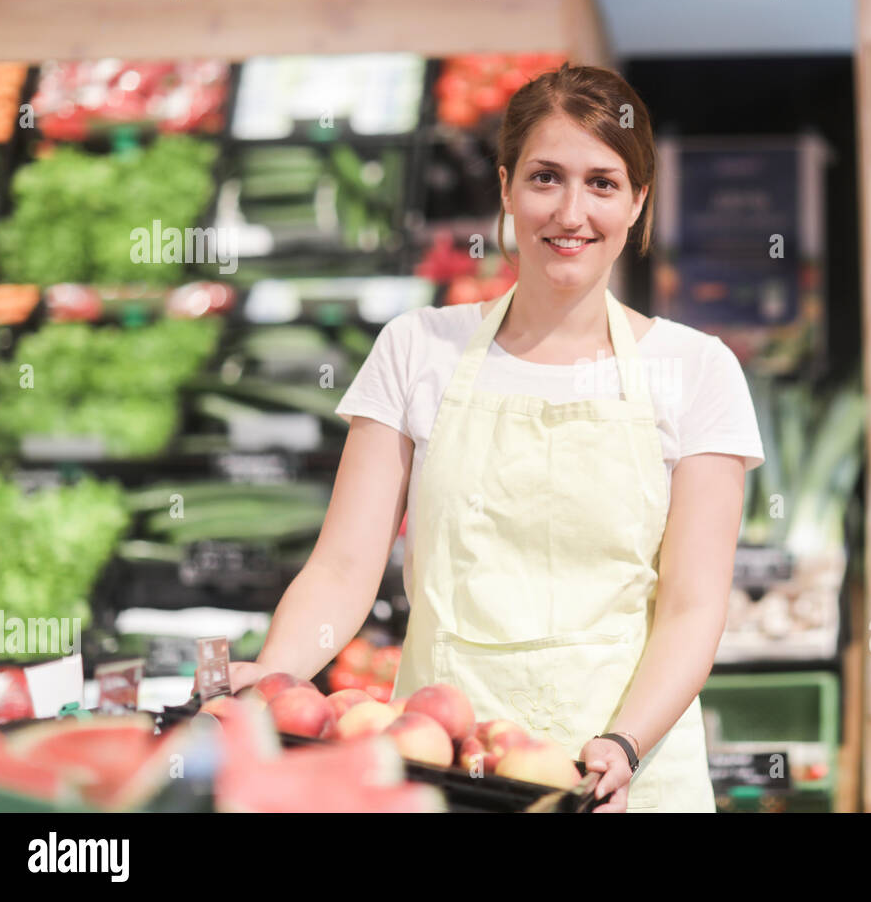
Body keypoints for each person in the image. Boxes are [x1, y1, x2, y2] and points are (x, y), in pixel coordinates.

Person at [226, 63, 764, 812]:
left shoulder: (695, 370)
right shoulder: (417, 348)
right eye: (546, 178)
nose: (572, 211)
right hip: (447, 764)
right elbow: (346, 566)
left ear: (638, 203)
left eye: (603, 184)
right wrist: (275, 681)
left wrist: (627, 743)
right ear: (507, 187)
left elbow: (692, 605)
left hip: (624, 776)